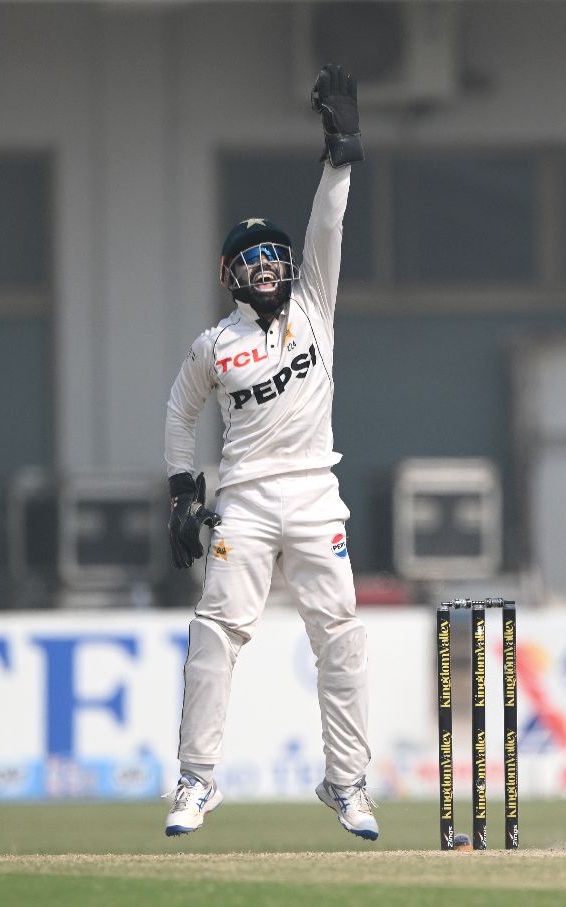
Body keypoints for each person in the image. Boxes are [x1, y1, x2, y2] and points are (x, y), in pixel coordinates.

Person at [161, 64, 377, 841]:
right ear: (230, 276)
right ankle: (196, 780)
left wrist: (340, 152)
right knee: (216, 634)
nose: (267, 267)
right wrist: (184, 491)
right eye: (251, 260)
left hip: (318, 493)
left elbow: (328, 225)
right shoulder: (215, 344)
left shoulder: (316, 304)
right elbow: (179, 414)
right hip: (246, 500)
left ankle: (347, 781)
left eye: (273, 256)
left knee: (342, 635)